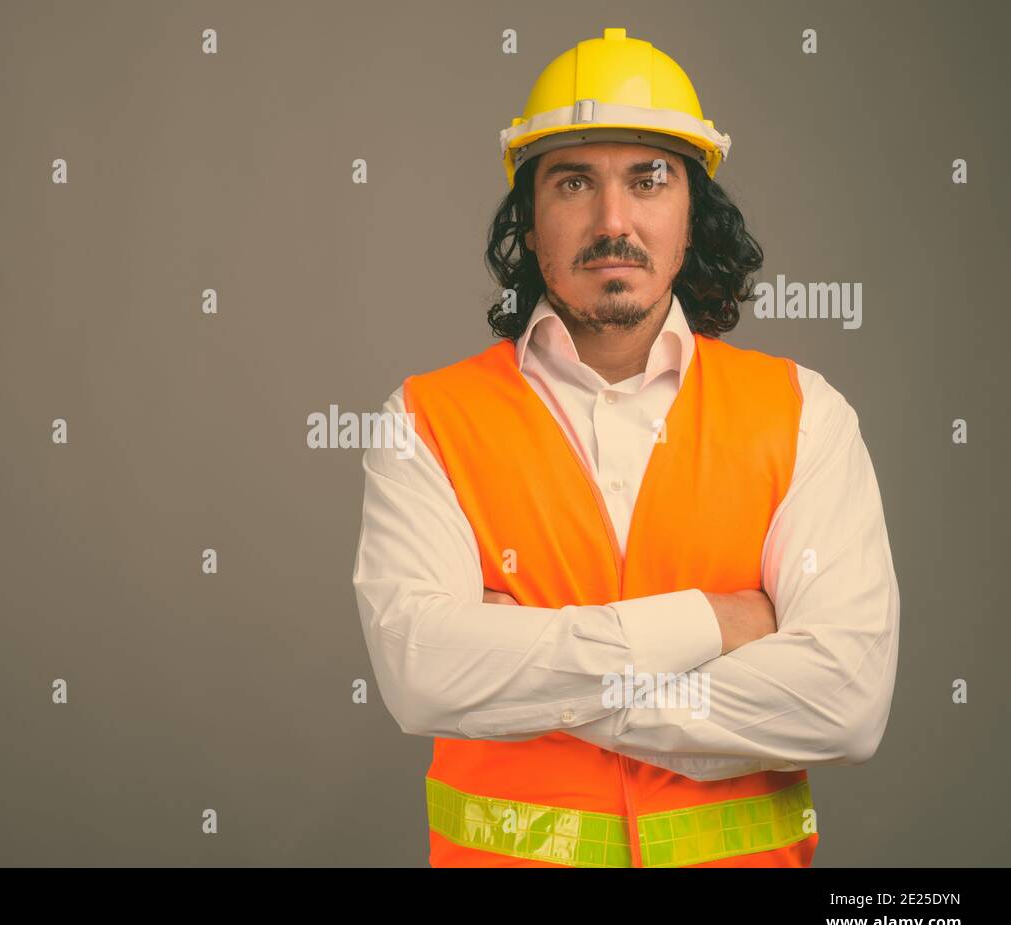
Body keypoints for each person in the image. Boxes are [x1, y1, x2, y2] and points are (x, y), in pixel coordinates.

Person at [351, 27, 900, 867]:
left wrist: (527, 676)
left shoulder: (803, 414)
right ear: (530, 225)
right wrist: (713, 622)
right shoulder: (425, 419)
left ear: (690, 218)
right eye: (574, 182)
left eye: (650, 179)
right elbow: (422, 676)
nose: (614, 220)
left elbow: (845, 703)